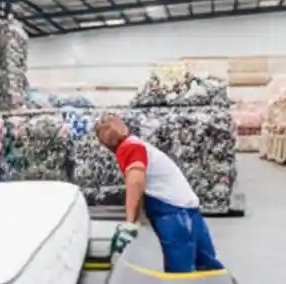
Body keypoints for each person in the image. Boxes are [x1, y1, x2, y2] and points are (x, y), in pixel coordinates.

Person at [94, 114, 223, 273]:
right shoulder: (139, 145)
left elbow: (136, 181)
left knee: (180, 272)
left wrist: (129, 222)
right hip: (189, 209)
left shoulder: (128, 147)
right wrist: (136, 218)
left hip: (174, 213)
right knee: (207, 266)